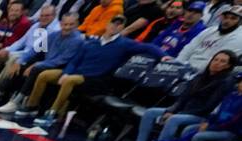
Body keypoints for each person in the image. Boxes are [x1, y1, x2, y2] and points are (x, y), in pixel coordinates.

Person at [14, 16, 165, 126]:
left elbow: (148, 47)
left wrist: (163, 56)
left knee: (69, 81)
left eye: (119, 25)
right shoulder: (91, 42)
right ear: (108, 24)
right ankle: (31, 106)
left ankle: (53, 114)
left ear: (122, 28)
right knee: (44, 74)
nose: (115, 27)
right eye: (113, 23)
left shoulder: (125, 44)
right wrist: (67, 71)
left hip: (96, 79)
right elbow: (75, 60)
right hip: (75, 72)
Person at [117, 49, 236, 141]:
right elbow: (183, 98)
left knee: (173, 120)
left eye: (222, 61)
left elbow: (210, 106)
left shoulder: (225, 82)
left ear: (228, 66)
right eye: (216, 59)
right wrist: (172, 110)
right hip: (183, 111)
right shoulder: (200, 76)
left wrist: (177, 114)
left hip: (199, 115)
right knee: (150, 113)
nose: (217, 63)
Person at [0, 4, 60, 108]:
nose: (43, 18)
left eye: (47, 16)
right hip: (26, 52)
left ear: (54, 16)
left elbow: (37, 51)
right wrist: (6, 49)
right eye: (42, 15)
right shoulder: (36, 25)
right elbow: (21, 41)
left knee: (14, 59)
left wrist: (20, 59)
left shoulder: (55, 30)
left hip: (36, 57)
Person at [0, 11, 87, 113]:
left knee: (35, 68)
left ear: (77, 25)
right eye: (65, 24)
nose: (67, 27)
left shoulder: (77, 40)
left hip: (62, 68)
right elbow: (36, 49)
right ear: (61, 24)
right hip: (47, 63)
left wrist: (38, 64)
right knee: (19, 64)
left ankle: (17, 102)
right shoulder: (54, 35)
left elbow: (61, 60)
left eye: (71, 24)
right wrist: (20, 61)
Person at [175, 5, 242, 72]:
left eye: (233, 18)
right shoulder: (210, 30)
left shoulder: (239, 38)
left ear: (240, 22)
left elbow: (217, 62)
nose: (227, 21)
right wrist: (177, 65)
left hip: (204, 74)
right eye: (226, 17)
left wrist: (190, 70)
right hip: (185, 67)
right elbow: (189, 48)